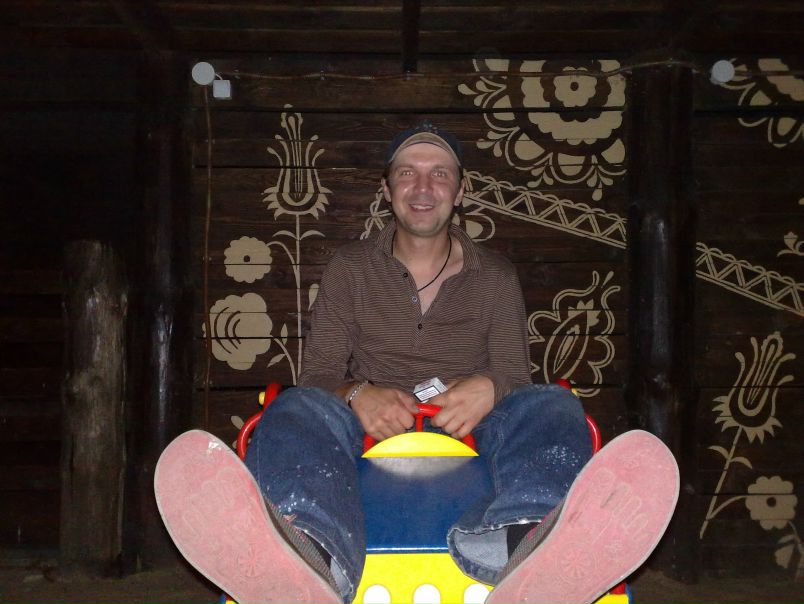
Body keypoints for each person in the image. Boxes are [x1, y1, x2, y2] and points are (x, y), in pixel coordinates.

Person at [154, 122, 680, 604]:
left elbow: (515, 376)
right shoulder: (349, 267)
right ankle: (307, 555)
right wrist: (357, 394)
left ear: (460, 190)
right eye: (407, 173)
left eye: (439, 174)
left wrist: (490, 387)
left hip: (473, 424)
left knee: (551, 403)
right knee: (293, 406)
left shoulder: (496, 275)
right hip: (367, 425)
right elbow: (317, 376)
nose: (423, 187)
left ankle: (530, 544)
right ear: (387, 190)